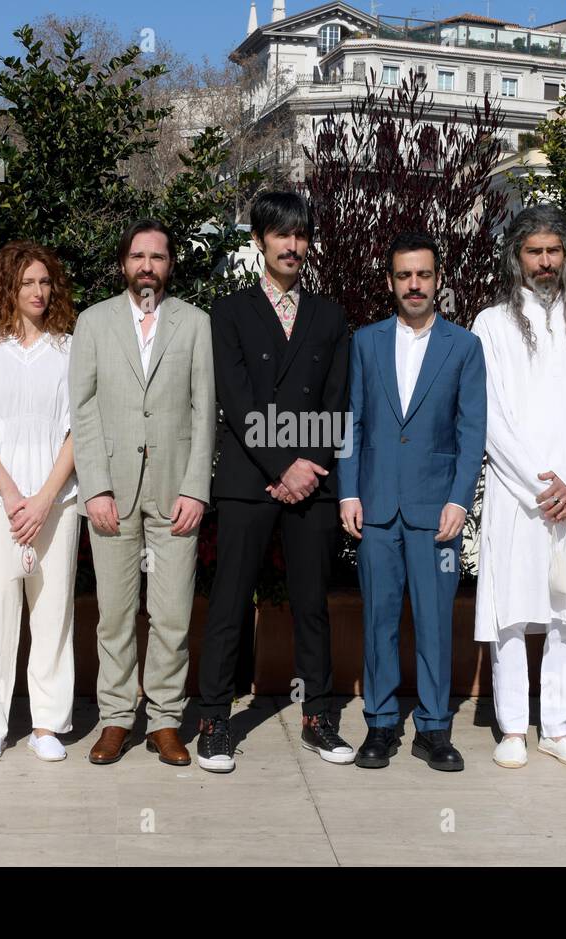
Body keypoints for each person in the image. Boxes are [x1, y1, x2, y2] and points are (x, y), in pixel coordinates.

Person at [195, 191, 352, 773]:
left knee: (313, 605)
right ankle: (213, 721)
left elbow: (335, 402)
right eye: (281, 234)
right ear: (260, 240)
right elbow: (234, 400)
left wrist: (305, 468)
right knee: (230, 604)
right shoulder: (230, 311)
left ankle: (320, 719)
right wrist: (280, 466)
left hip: (311, 481)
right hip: (249, 480)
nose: (292, 245)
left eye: (301, 235)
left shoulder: (330, 316)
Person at [472, 204, 566, 770]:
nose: (543, 262)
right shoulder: (491, 324)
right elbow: (488, 414)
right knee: (512, 610)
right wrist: (538, 483)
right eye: (533, 252)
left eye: (553, 252)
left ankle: (558, 727)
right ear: (516, 257)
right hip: (521, 495)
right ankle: (513, 728)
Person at [338, 231, 485, 772]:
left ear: (438, 279)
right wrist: (348, 490)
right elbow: (350, 422)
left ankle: (434, 729)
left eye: (423, 274)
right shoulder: (365, 342)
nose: (414, 284)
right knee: (378, 618)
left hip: (436, 512)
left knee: (434, 621)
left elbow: (472, 431)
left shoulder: (464, 346)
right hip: (375, 507)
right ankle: (379, 725)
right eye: (404, 275)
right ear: (390, 282)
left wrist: (459, 500)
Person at [70, 220, 214, 767]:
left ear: (170, 264)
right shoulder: (94, 322)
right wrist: (96, 488)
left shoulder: (195, 324)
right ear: (123, 264)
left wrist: (196, 488)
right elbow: (82, 409)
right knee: (114, 614)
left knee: (173, 614)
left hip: (176, 492)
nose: (147, 265)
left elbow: (205, 411)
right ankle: (114, 719)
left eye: (157, 256)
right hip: (112, 495)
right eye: (137, 256)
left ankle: (166, 721)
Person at [0, 241, 80, 762]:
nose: (38, 291)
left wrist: (45, 498)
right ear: (8, 286)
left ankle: (48, 726)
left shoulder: (69, 347)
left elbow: (78, 427)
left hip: (57, 502)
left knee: (52, 615)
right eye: (27, 282)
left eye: (45, 282)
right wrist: (12, 495)